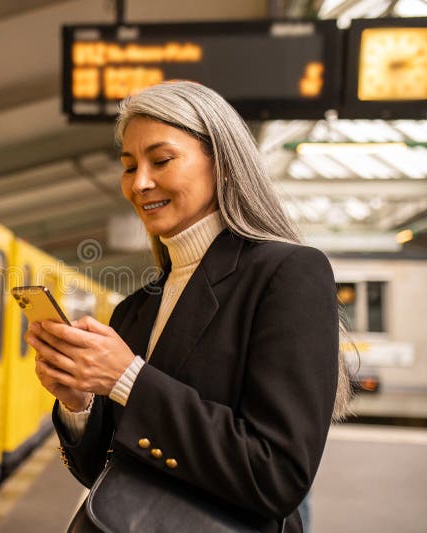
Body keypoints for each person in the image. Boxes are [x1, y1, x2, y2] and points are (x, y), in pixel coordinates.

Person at [25, 81, 351, 533]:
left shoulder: (289, 274)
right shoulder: (135, 309)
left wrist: (126, 379)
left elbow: (278, 475)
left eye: (160, 160)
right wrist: (78, 403)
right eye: (128, 166)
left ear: (222, 162)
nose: (139, 183)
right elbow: (108, 477)